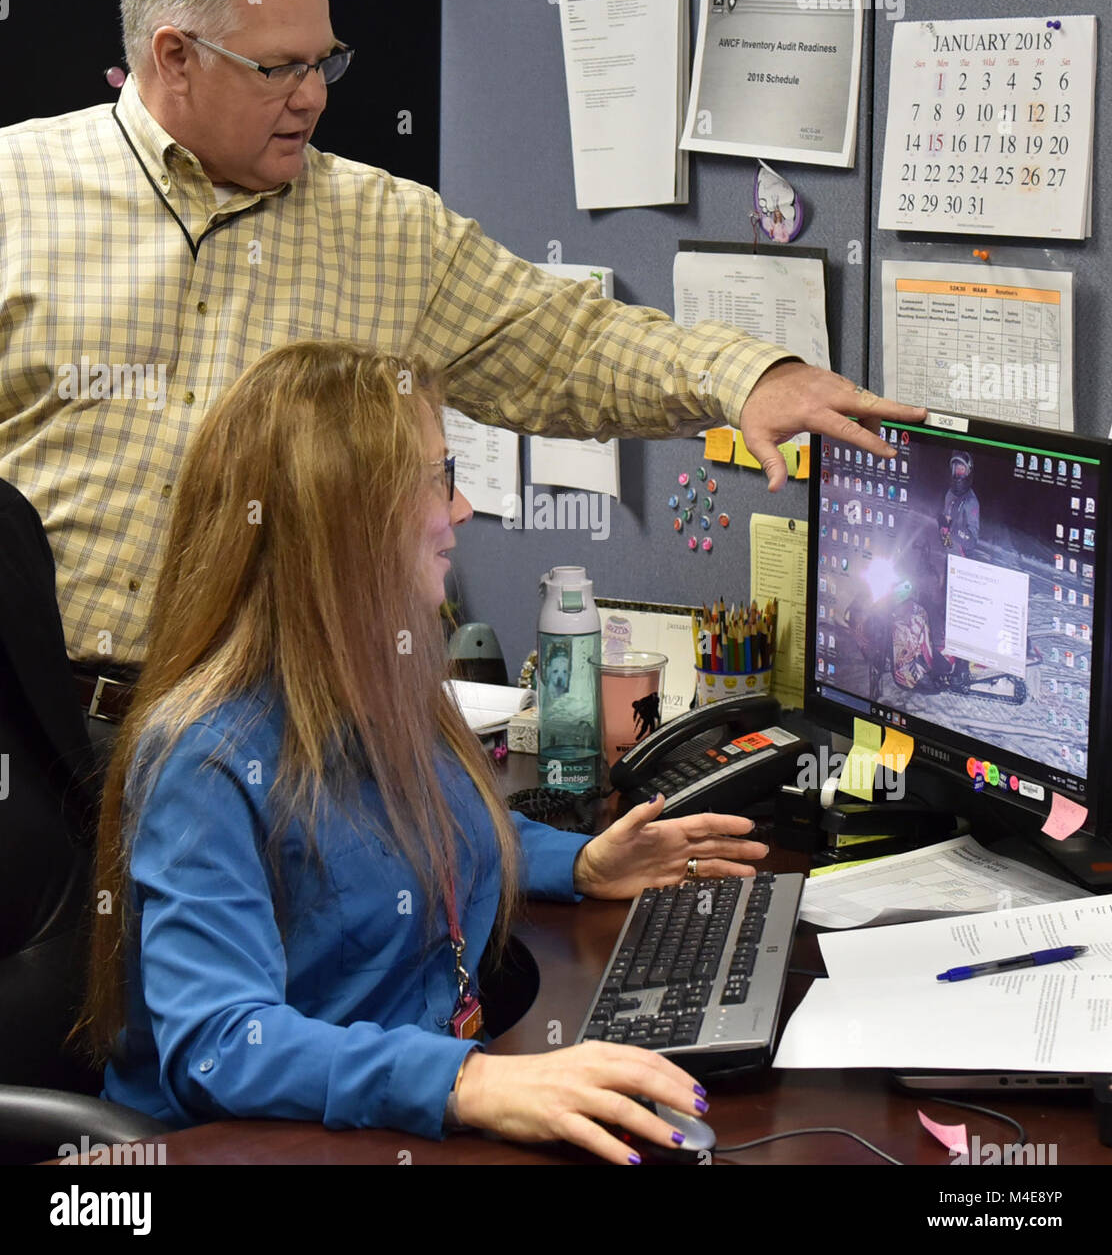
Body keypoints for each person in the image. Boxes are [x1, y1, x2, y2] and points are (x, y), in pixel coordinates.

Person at [0, 0, 925, 717]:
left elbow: (564, 343)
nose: (313, 97)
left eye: (325, 64)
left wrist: (745, 376)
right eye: (279, 69)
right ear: (175, 56)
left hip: (269, 743)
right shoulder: (18, 192)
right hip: (37, 727)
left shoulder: (383, 229)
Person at [73, 341, 770, 1164]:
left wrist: (579, 865)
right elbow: (225, 1042)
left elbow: (440, 824)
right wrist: (468, 1083)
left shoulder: (387, 677)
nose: (466, 507)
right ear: (347, 520)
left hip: (389, 1124)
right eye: (440, 478)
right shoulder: (205, 755)